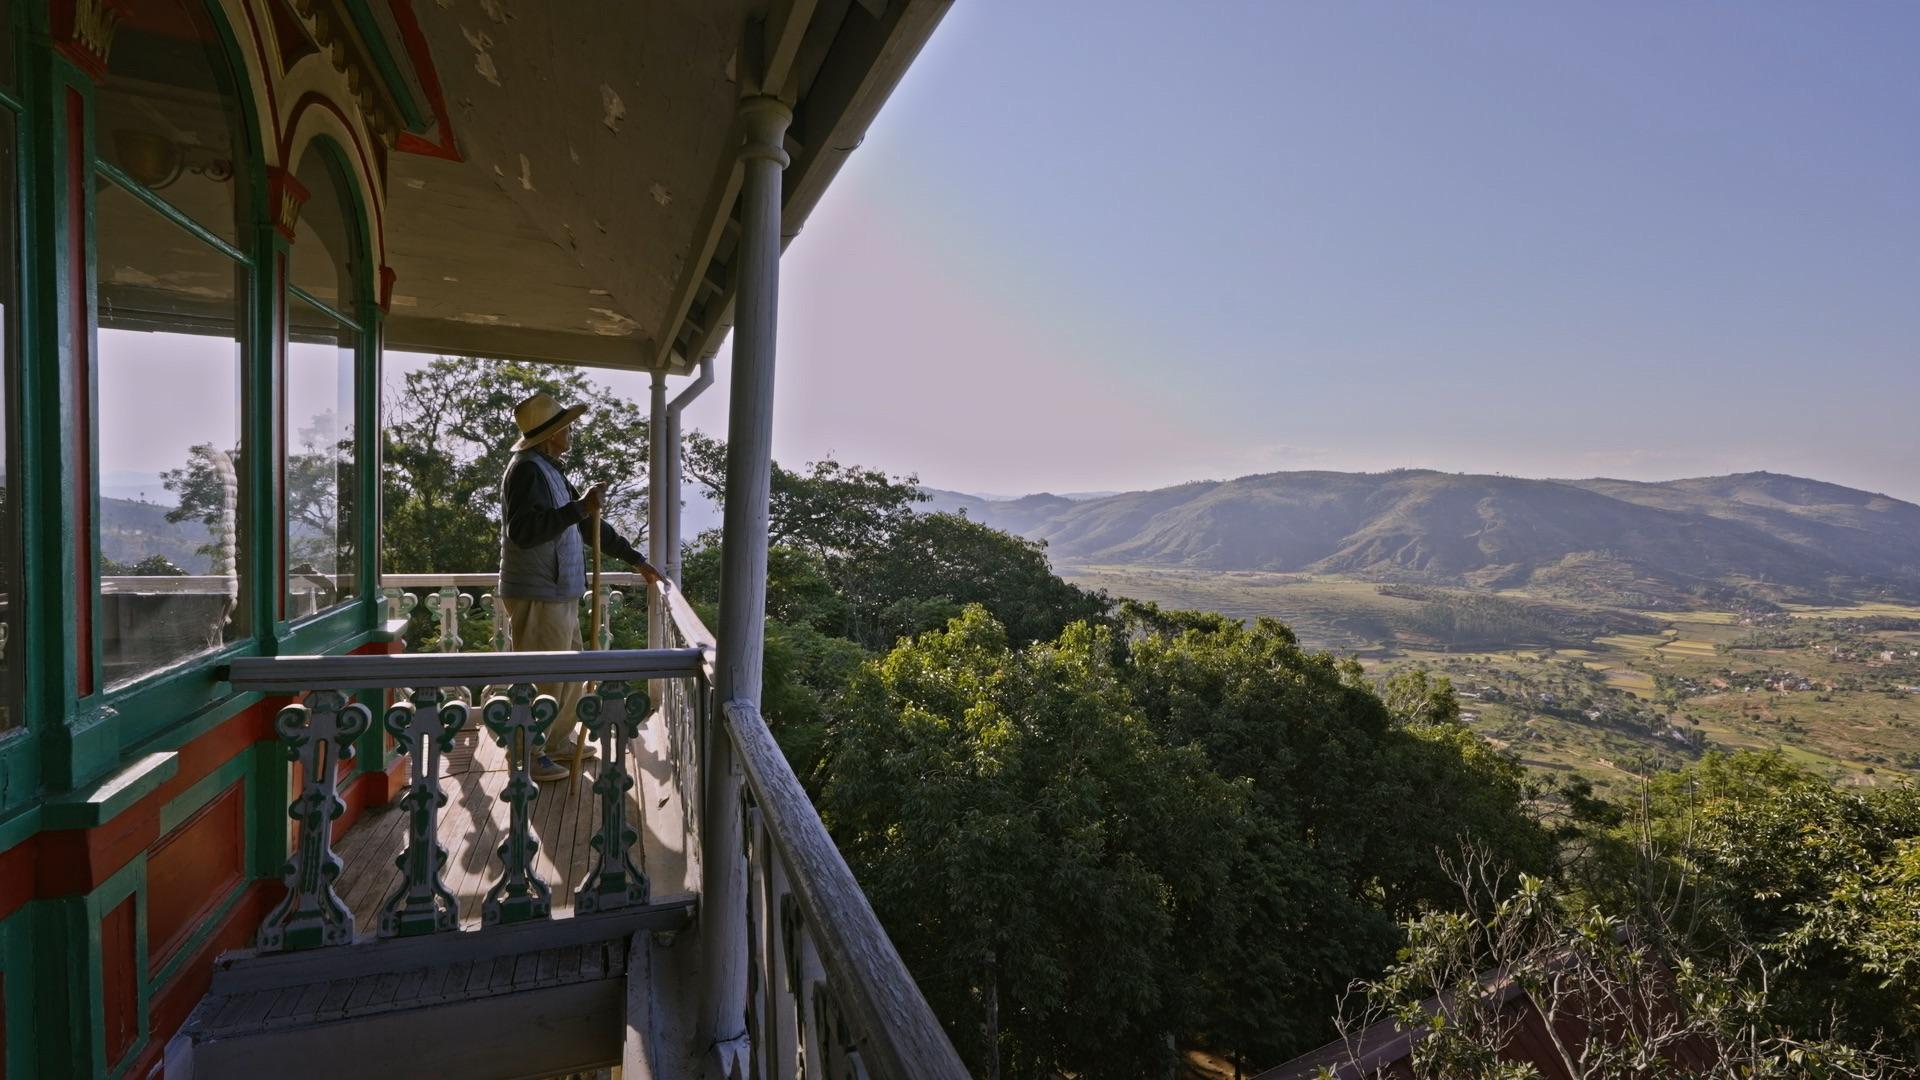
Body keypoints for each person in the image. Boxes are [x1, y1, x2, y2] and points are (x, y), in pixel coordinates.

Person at [498, 391, 660, 781]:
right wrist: (579, 507)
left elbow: (588, 526)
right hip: (538, 591)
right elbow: (523, 531)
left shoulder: (549, 470)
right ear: (550, 434)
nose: (570, 431)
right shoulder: (526, 471)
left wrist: (635, 559)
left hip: (559, 591)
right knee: (545, 677)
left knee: (569, 673)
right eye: (566, 426)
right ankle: (527, 753)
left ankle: (554, 742)